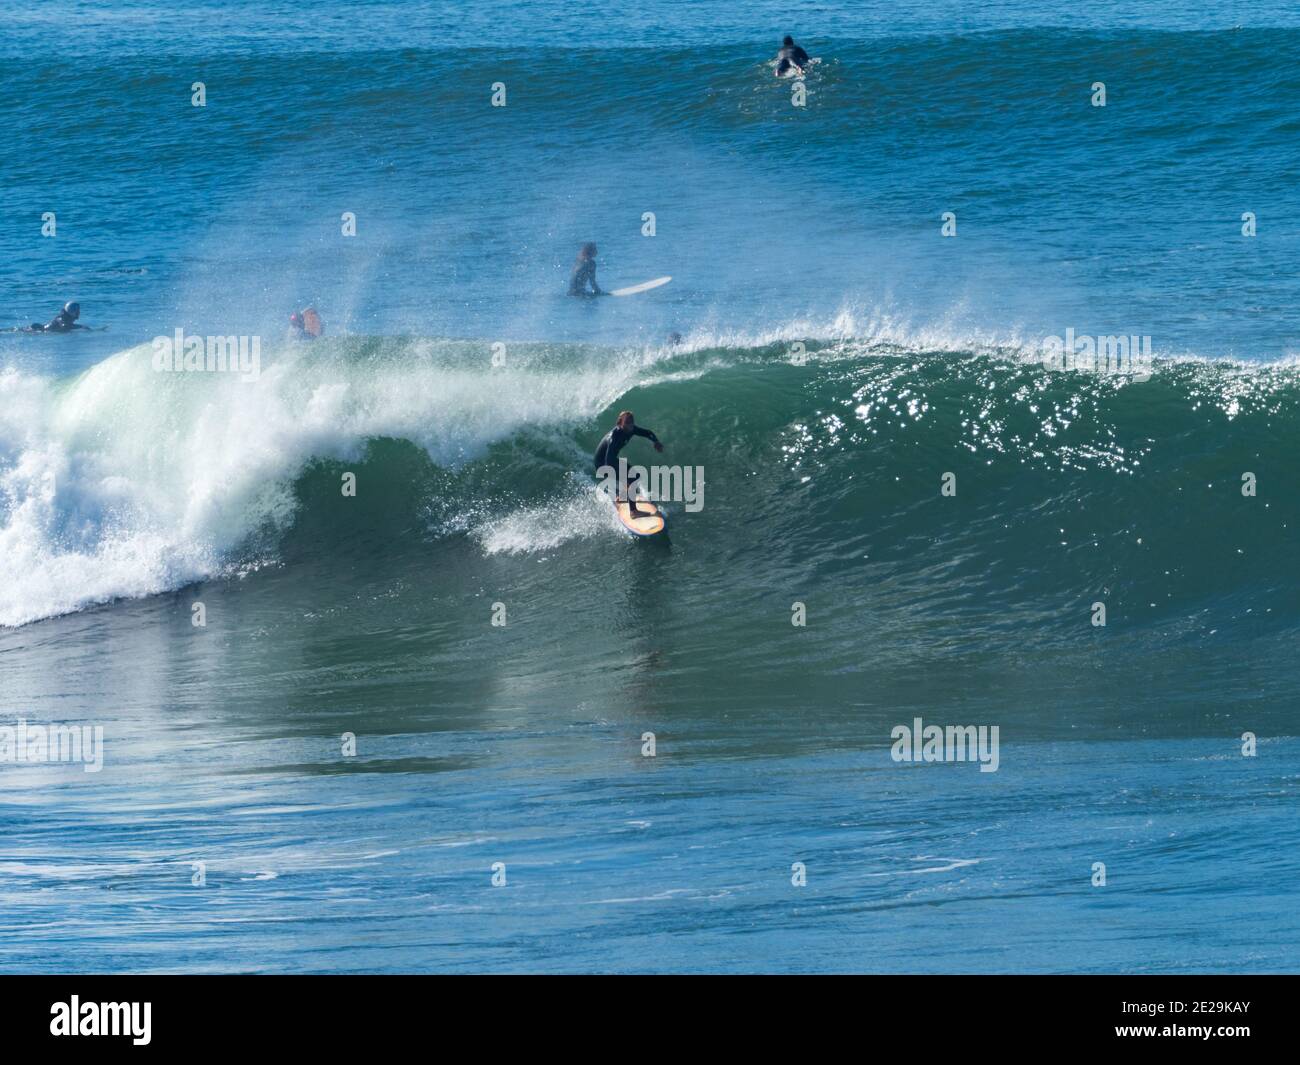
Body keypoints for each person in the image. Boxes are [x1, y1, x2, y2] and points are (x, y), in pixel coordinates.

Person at [594, 410, 663, 518]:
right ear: (620, 423)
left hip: (610, 460)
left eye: (632, 423)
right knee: (633, 477)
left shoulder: (631, 429)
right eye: (627, 423)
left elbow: (647, 433)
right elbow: (609, 462)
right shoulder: (614, 437)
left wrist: (656, 441)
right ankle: (633, 512)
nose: (630, 426)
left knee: (633, 477)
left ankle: (622, 496)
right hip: (603, 464)